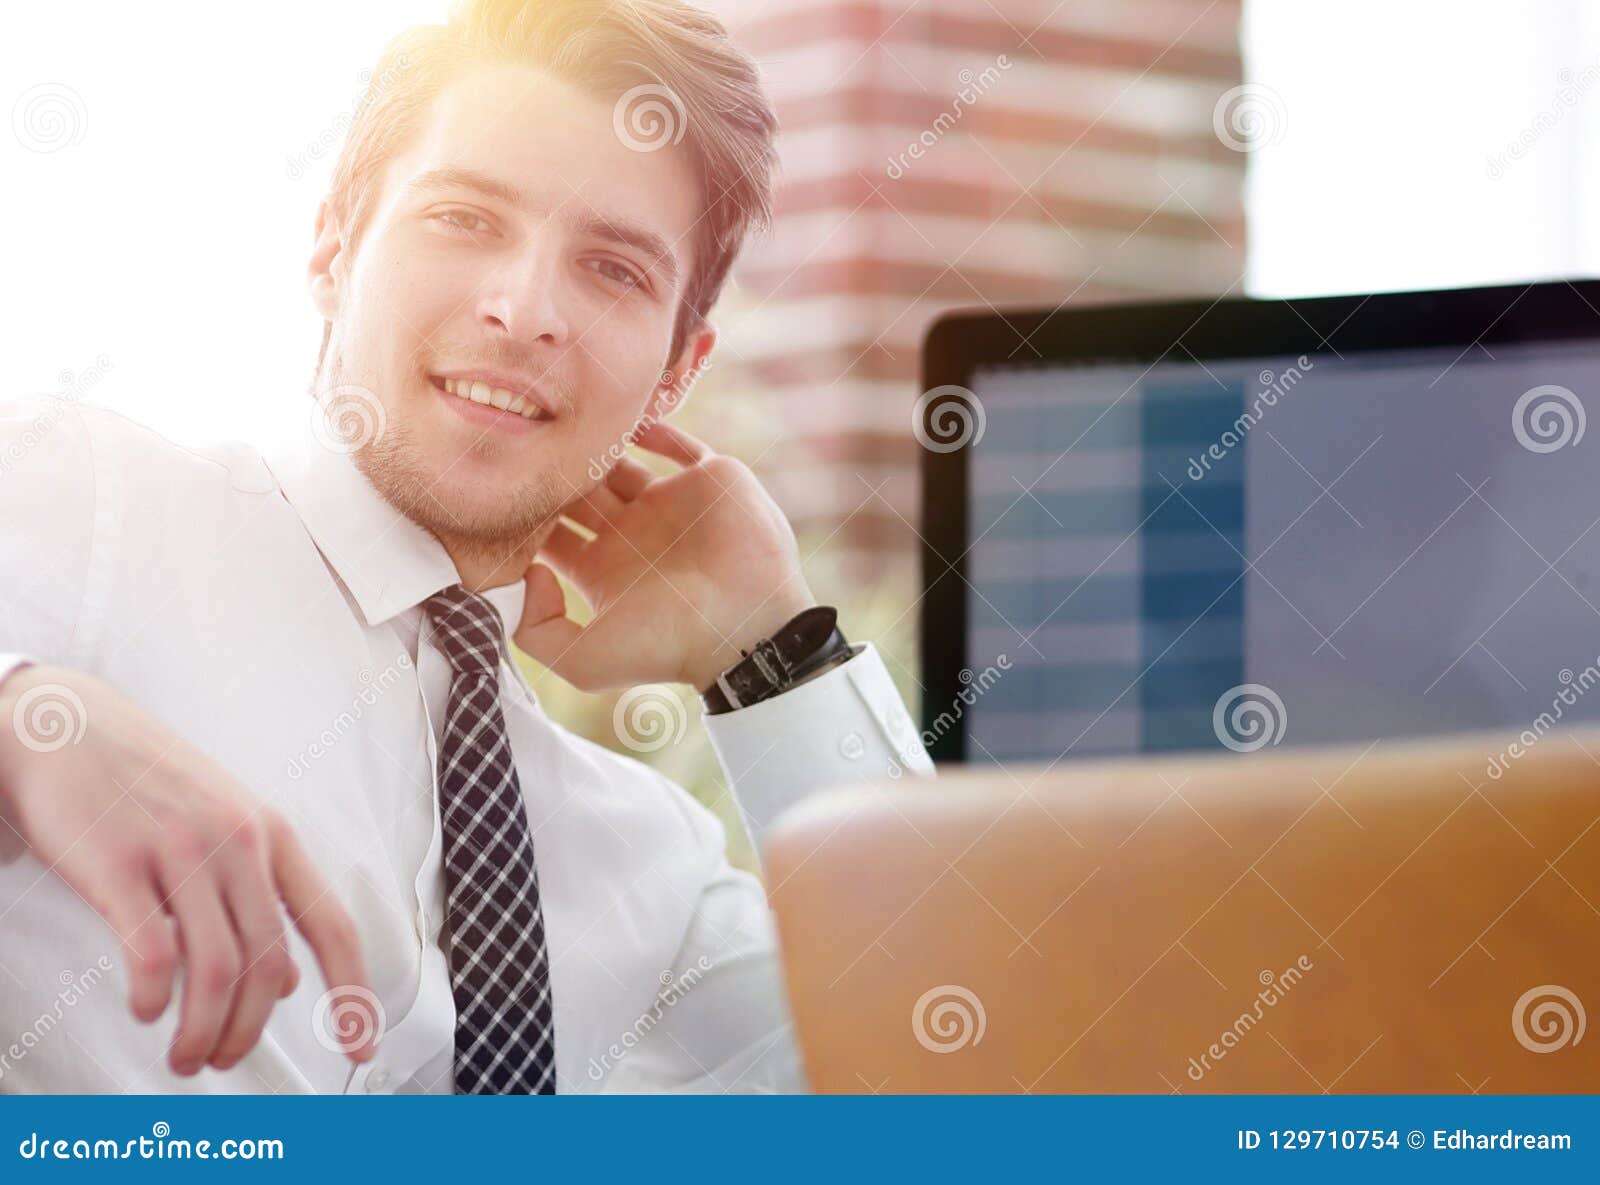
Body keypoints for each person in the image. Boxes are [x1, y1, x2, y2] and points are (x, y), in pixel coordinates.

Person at [0, 0, 931, 1095]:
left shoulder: (654, 878)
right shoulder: (74, 502)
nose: (525, 307)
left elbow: (978, 1073)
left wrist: (775, 655)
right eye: (464, 219)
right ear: (332, 246)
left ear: (678, 371)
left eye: (614, 271)